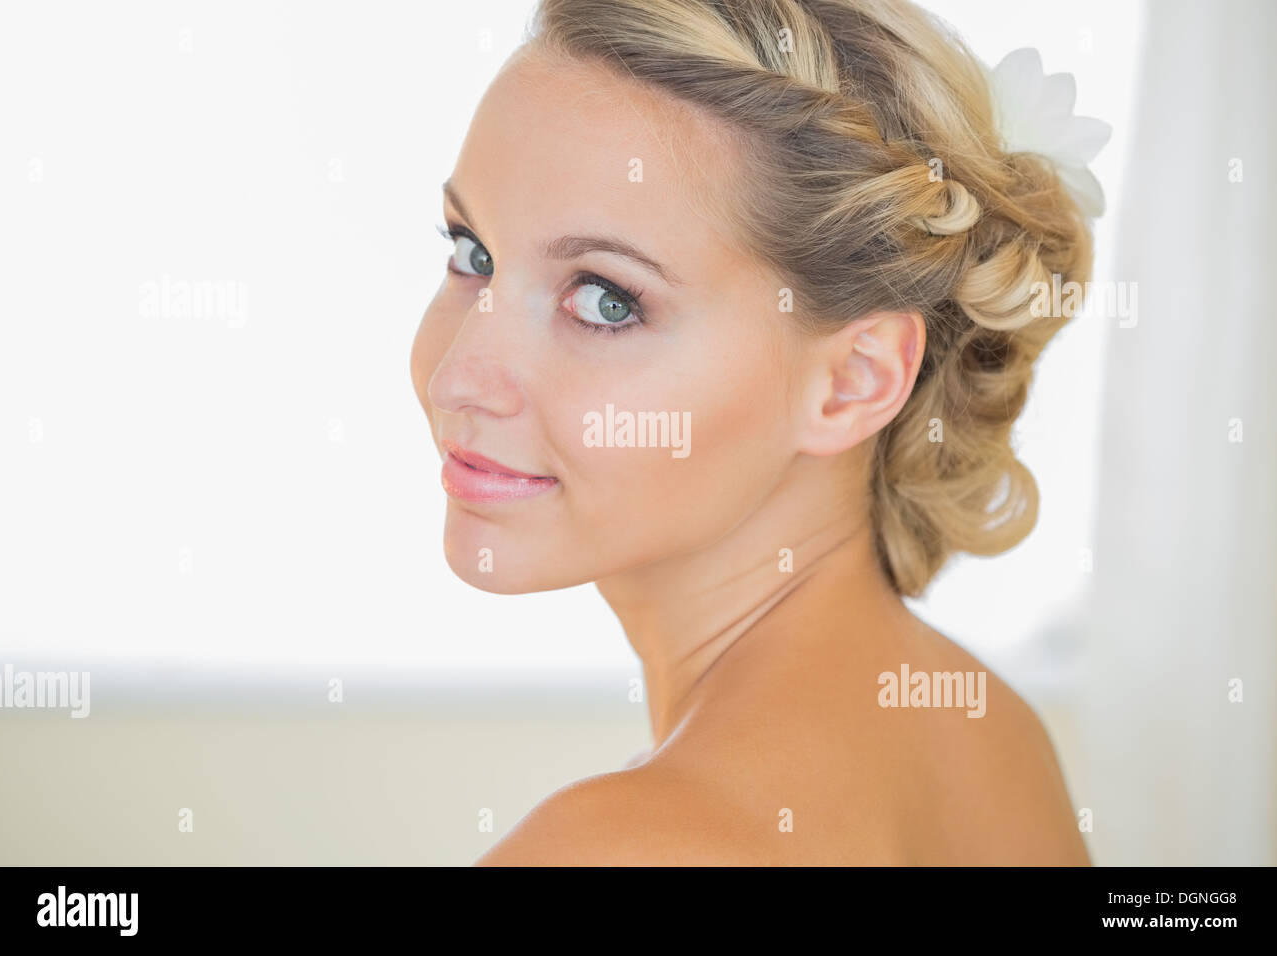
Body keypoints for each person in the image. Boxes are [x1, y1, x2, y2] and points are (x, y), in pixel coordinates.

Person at [410, 0, 1102, 865]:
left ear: (853, 381)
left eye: (604, 300)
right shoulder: (979, 723)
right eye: (473, 253)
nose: (456, 377)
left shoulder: (617, 849)